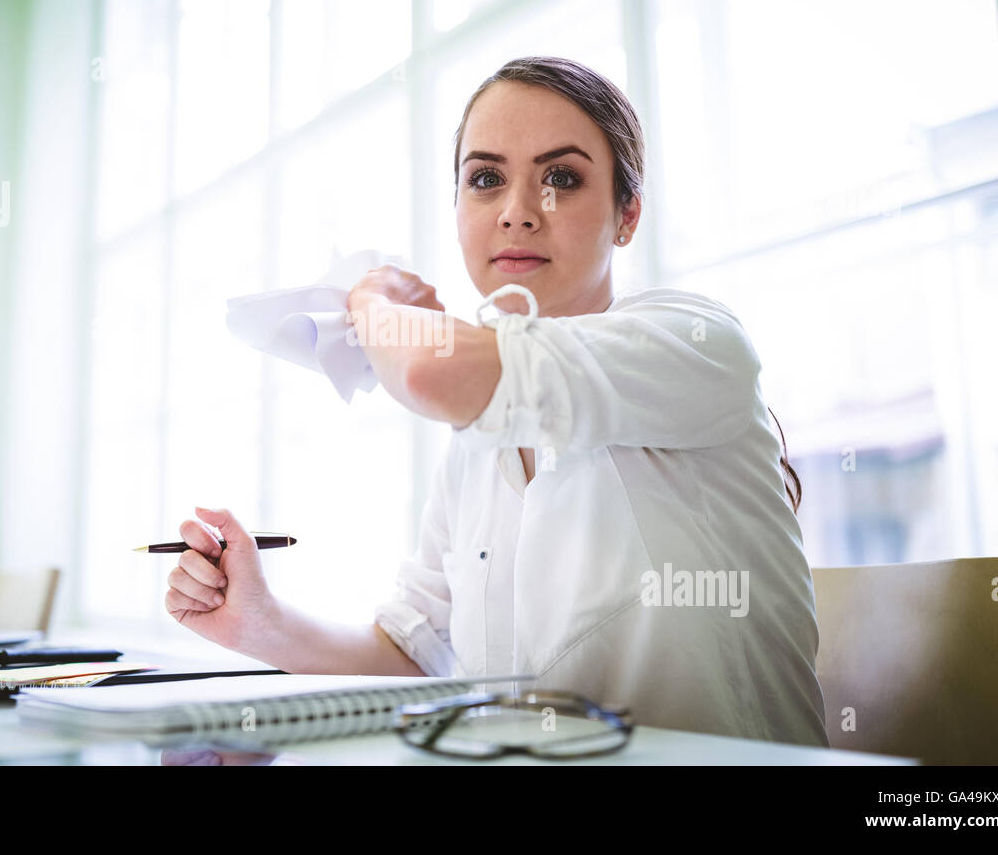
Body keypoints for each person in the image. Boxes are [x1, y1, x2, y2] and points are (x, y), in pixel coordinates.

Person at [165, 55, 829, 747]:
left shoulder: (693, 339)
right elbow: (414, 658)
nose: (517, 213)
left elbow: (427, 371)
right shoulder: (476, 444)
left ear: (627, 214)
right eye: (485, 179)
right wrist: (257, 620)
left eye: (561, 179)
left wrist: (371, 299)